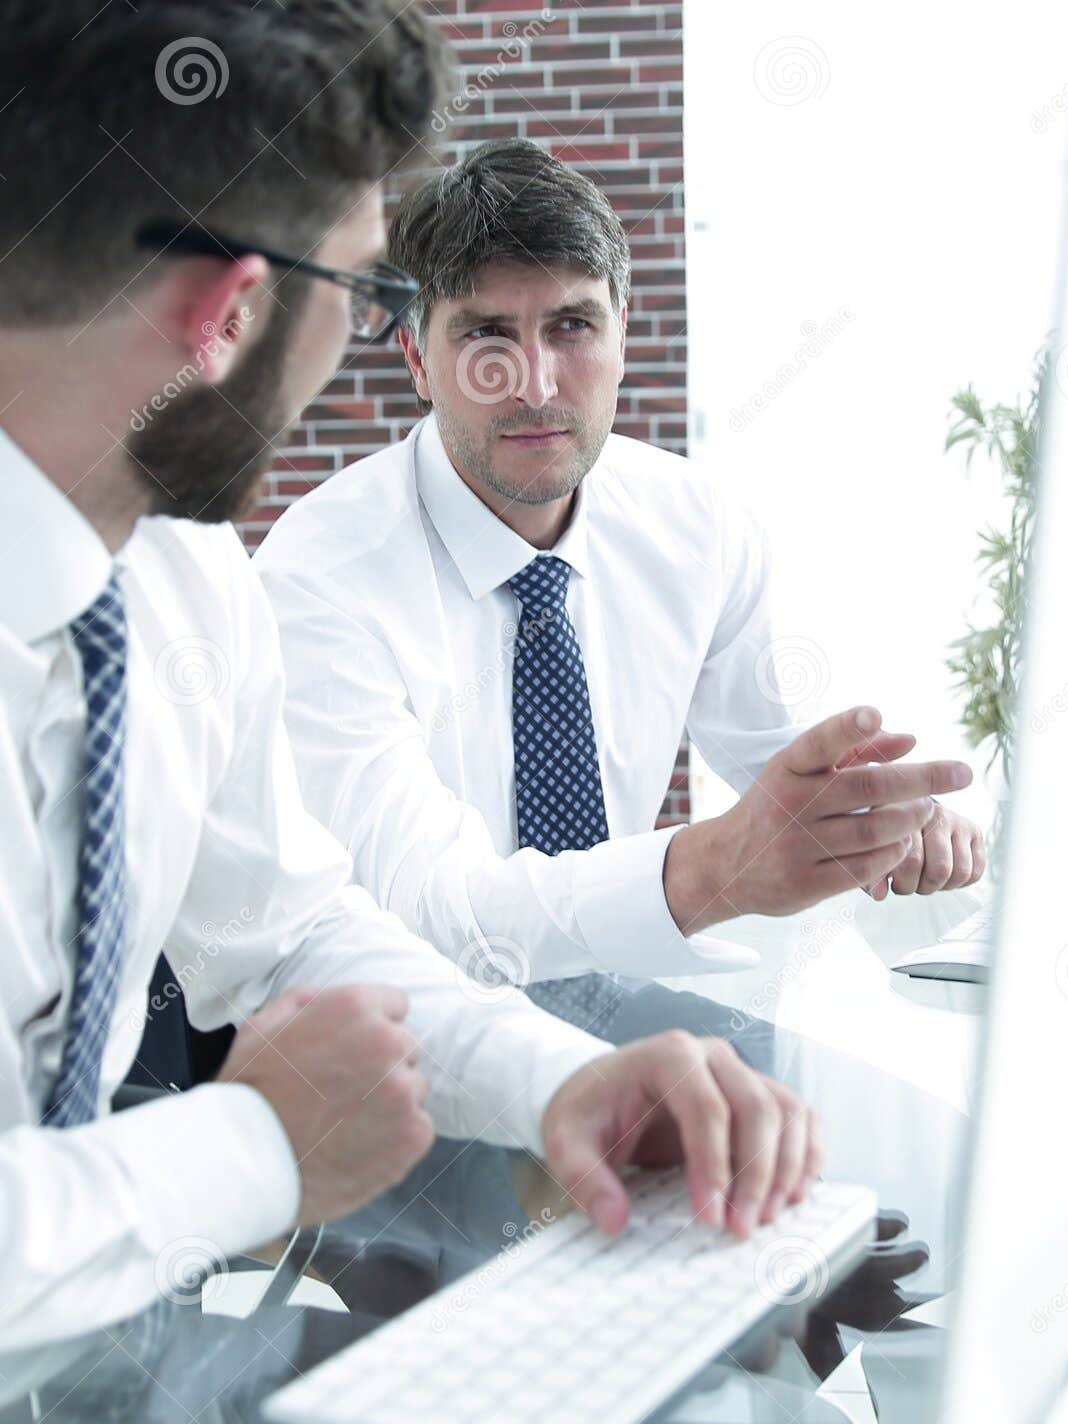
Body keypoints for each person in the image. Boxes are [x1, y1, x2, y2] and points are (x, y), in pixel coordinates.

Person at [0, 1, 818, 1358]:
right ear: (230, 310)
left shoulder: (187, 588)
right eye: (371, 293)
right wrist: (255, 1143)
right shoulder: (303, 564)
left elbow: (294, 928)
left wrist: (570, 1080)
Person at [257, 138, 984, 989]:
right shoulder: (315, 579)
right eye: (486, 334)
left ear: (622, 334)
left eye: (572, 326)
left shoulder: (697, 527)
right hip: (391, 1055)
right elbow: (428, 910)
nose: (533, 384)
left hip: (622, 1025)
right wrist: (710, 869)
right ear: (418, 359)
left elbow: (782, 760)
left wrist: (890, 816)